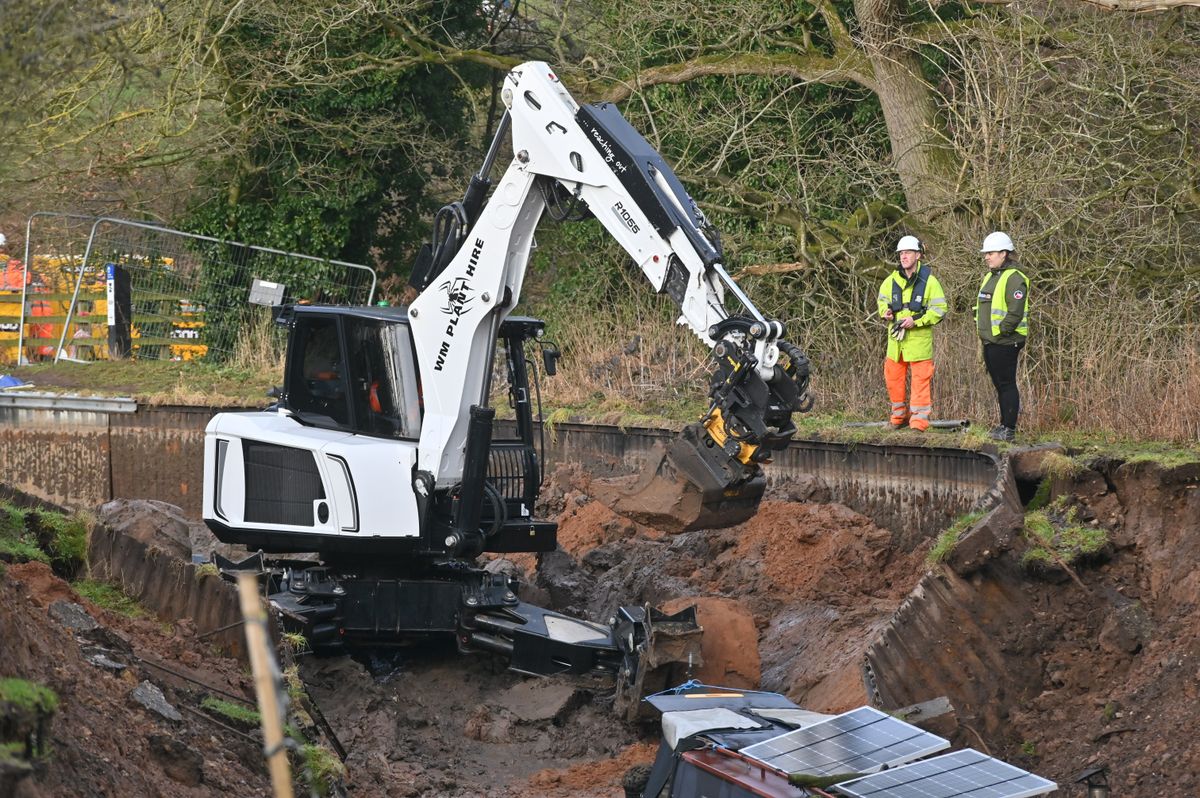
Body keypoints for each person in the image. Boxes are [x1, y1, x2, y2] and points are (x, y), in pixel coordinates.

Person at [876, 235, 947, 431]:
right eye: (901, 253)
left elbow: (939, 310)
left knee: (920, 383)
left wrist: (916, 321)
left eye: (907, 253)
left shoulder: (930, 282)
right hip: (895, 343)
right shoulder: (890, 281)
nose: (903, 257)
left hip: (919, 343)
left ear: (918, 255)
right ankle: (898, 418)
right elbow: (882, 301)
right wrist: (885, 312)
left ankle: (918, 423)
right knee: (893, 380)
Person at [974, 231, 1029, 442]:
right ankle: (1003, 425)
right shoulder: (991, 276)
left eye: (991, 253)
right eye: (986, 253)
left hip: (1005, 341)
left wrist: (1001, 332)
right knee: (1000, 385)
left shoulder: (1014, 278)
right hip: (991, 341)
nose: (986, 257)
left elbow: (1015, 312)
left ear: (1004, 253)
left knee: (1007, 384)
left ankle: (1009, 429)